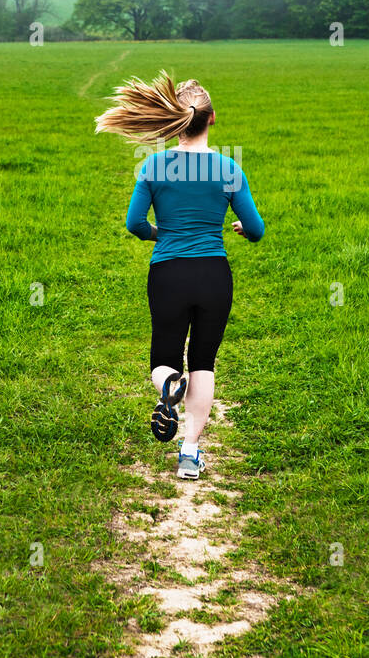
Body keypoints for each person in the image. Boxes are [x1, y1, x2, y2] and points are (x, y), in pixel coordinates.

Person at [95, 70, 265, 479]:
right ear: (212, 119)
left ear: (171, 122)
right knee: (204, 360)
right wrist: (240, 229)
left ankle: (171, 385)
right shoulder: (228, 168)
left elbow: (134, 224)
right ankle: (190, 454)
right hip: (213, 275)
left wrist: (159, 234)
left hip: (168, 273)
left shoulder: (154, 166)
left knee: (164, 357)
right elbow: (256, 229)